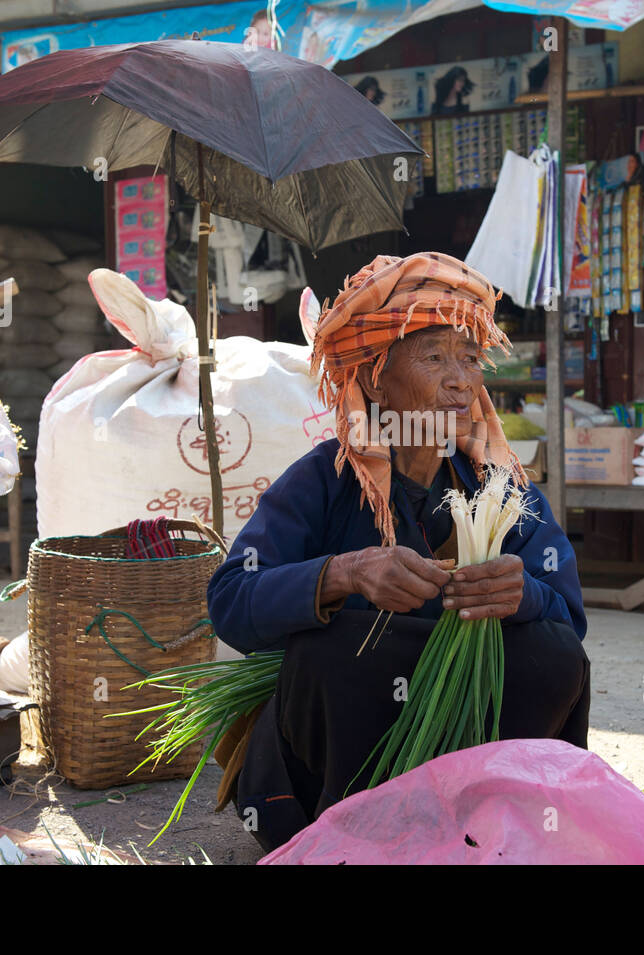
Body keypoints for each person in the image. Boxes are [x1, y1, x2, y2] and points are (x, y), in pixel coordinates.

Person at [207, 252, 590, 850]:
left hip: (462, 743)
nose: (461, 380)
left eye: (470, 358)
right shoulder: (322, 481)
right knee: (337, 651)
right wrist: (341, 575)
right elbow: (231, 603)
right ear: (375, 373)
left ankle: (491, 820)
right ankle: (351, 837)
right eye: (434, 357)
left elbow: (570, 616)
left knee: (552, 649)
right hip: (339, 774)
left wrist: (524, 594)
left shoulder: (501, 487)